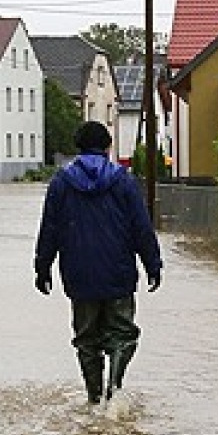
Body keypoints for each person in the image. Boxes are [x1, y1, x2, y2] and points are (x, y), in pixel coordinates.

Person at [34, 121, 163, 404]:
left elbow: (49, 229)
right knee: (123, 334)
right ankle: (114, 389)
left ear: (78, 148)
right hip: (118, 273)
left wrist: (42, 267)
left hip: (79, 274)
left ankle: (94, 396)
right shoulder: (124, 180)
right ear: (107, 147)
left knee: (86, 338)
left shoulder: (60, 182)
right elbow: (141, 228)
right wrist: (153, 264)